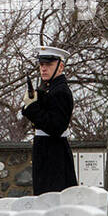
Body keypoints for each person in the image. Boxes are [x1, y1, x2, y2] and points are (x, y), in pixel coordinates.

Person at [21, 45, 79, 194]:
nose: (43, 68)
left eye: (48, 64)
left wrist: (32, 108)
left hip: (55, 155)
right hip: (45, 151)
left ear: (60, 67)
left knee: (53, 198)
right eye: (41, 65)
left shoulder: (61, 91)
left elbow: (56, 127)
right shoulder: (48, 88)